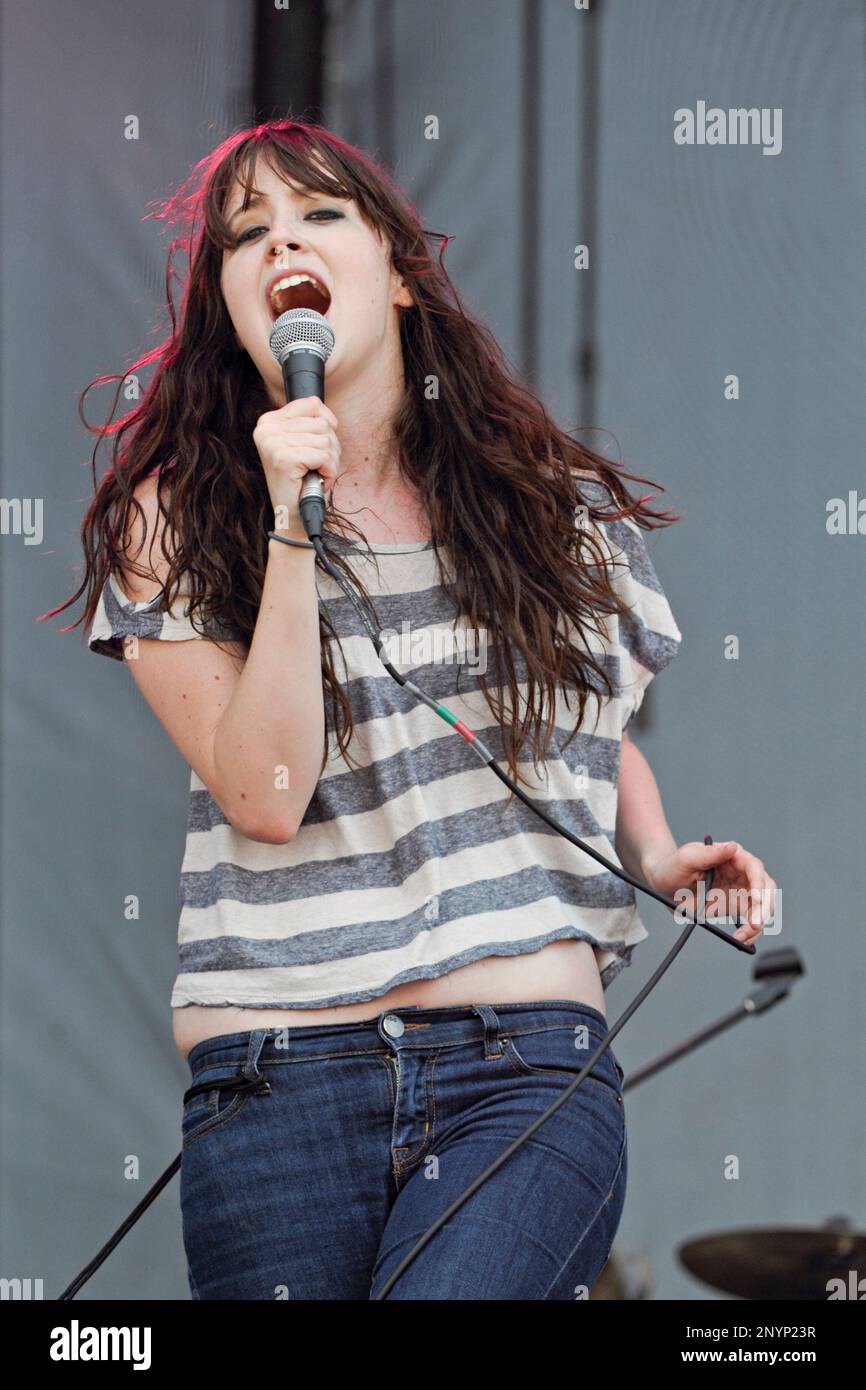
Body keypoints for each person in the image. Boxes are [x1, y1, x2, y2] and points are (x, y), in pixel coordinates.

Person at [48, 119, 775, 1300]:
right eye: (246, 235)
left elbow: (573, 722)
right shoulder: (169, 519)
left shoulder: (550, 503)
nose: (281, 237)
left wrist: (650, 850)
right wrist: (294, 520)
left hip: (518, 1059)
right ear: (231, 303)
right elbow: (266, 795)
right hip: (274, 1077)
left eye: (319, 214)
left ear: (395, 268)